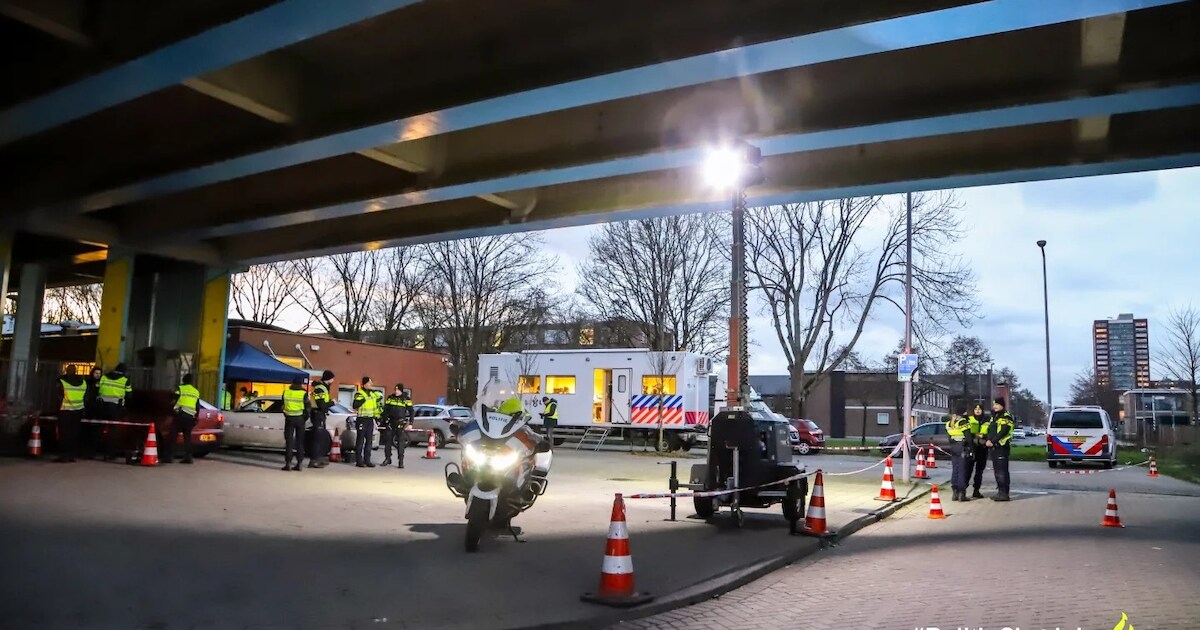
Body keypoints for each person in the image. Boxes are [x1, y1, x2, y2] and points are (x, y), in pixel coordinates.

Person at [97, 363, 132, 460]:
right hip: (115, 408)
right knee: (113, 431)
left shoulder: (104, 377)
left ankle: (96, 450)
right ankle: (110, 453)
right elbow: (129, 395)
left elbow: (97, 389)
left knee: (99, 428)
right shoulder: (125, 380)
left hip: (101, 406)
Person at [164, 374, 201, 464]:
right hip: (190, 417)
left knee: (173, 435)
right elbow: (197, 406)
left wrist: (172, 409)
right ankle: (189, 457)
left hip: (180, 415)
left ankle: (169, 457)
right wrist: (196, 417)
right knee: (187, 437)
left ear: (183, 380)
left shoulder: (181, 388)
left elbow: (174, 399)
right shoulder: (196, 392)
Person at [55, 366, 87, 463]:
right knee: (74, 433)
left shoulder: (62, 381)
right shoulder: (83, 382)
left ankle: (64, 456)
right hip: (78, 410)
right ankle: (72, 455)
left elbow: (58, 396)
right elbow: (86, 397)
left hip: (65, 410)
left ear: (67, 371)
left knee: (65, 434)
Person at [985, 398, 1015, 501]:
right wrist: (988, 439)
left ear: (1002, 405)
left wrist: (992, 441)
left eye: (997, 404)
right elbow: (990, 430)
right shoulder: (994, 417)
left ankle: (1004, 493)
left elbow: (1003, 432)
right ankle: (1000, 492)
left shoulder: (1006, 417)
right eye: (994, 405)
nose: (995, 406)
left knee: (1002, 471)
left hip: (1002, 447)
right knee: (997, 471)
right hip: (994, 448)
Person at [281, 376, 311, 471]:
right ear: (301, 383)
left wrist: (287, 414)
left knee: (289, 442)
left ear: (292, 383)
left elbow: (282, 406)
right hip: (300, 419)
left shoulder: (286, 392)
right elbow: (308, 408)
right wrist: (304, 418)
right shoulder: (303, 393)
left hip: (289, 419)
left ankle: (288, 464)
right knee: (300, 442)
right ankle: (299, 464)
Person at [945, 408, 974, 501]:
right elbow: (968, 437)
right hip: (962, 447)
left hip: (953, 447)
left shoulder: (949, 423)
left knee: (955, 469)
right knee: (962, 470)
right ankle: (962, 493)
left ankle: (955, 492)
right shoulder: (963, 422)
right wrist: (972, 449)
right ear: (964, 412)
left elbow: (949, 437)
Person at [308, 370, 335, 468]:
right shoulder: (320, 388)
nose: (333, 381)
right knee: (317, 439)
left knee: (320, 438)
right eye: (332, 378)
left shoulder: (323, 387)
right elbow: (321, 405)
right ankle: (314, 460)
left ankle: (318, 459)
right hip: (317, 414)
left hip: (319, 415)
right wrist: (332, 403)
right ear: (328, 378)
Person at [353, 377, 378, 468]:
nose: (371, 384)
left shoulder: (372, 394)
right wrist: (363, 399)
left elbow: (375, 408)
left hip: (370, 419)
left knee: (369, 441)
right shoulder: (359, 393)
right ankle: (359, 461)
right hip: (362, 419)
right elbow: (355, 405)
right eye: (370, 383)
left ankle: (367, 460)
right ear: (365, 384)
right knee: (360, 440)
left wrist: (377, 419)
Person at [967, 403, 989, 499]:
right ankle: (963, 490)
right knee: (968, 470)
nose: (977, 411)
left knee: (979, 471)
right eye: (975, 409)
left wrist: (984, 436)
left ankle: (976, 490)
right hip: (972, 447)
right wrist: (975, 435)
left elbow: (990, 432)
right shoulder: (969, 419)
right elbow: (967, 432)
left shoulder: (987, 420)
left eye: (979, 409)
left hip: (982, 448)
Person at [381, 384, 405, 467]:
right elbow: (385, 409)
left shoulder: (406, 399)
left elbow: (411, 411)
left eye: (398, 390)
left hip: (400, 422)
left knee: (400, 442)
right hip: (391, 422)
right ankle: (387, 458)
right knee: (388, 441)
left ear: (401, 390)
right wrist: (385, 419)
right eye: (395, 389)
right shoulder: (390, 398)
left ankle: (401, 461)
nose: (396, 391)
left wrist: (410, 423)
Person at [82, 367, 102, 458]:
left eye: (99, 373)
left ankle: (92, 451)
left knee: (95, 432)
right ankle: (85, 451)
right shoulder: (87, 382)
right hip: (88, 408)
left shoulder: (101, 383)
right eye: (96, 373)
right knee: (86, 431)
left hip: (97, 410)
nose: (97, 375)